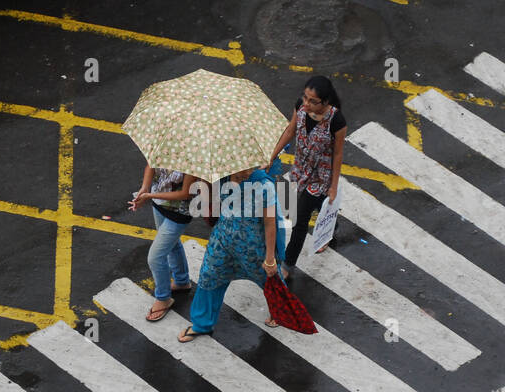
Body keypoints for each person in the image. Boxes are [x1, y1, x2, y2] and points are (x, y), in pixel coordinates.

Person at [178, 165, 286, 341]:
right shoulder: (220, 177)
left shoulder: (264, 184)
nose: (248, 172)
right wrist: (205, 181)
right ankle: (201, 324)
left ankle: (279, 312)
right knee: (208, 277)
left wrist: (270, 258)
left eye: (252, 167)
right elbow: (209, 206)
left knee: (269, 279)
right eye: (244, 169)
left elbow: (270, 223)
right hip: (222, 243)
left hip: (253, 248)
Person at [269, 75, 346, 277]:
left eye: (313, 101)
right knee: (320, 205)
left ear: (326, 101)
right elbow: (290, 131)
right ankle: (331, 225)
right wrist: (272, 156)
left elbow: (338, 154)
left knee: (300, 219)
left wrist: (333, 186)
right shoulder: (300, 108)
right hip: (300, 169)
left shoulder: (336, 121)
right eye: (305, 98)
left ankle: (287, 265)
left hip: (320, 177)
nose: (306, 104)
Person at [129, 166, 198, 322]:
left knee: (155, 257)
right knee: (172, 245)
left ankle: (163, 298)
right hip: (159, 205)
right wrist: (144, 189)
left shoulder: (194, 158)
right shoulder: (165, 144)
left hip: (180, 212)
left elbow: (185, 193)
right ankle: (182, 281)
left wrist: (149, 195)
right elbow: (150, 164)